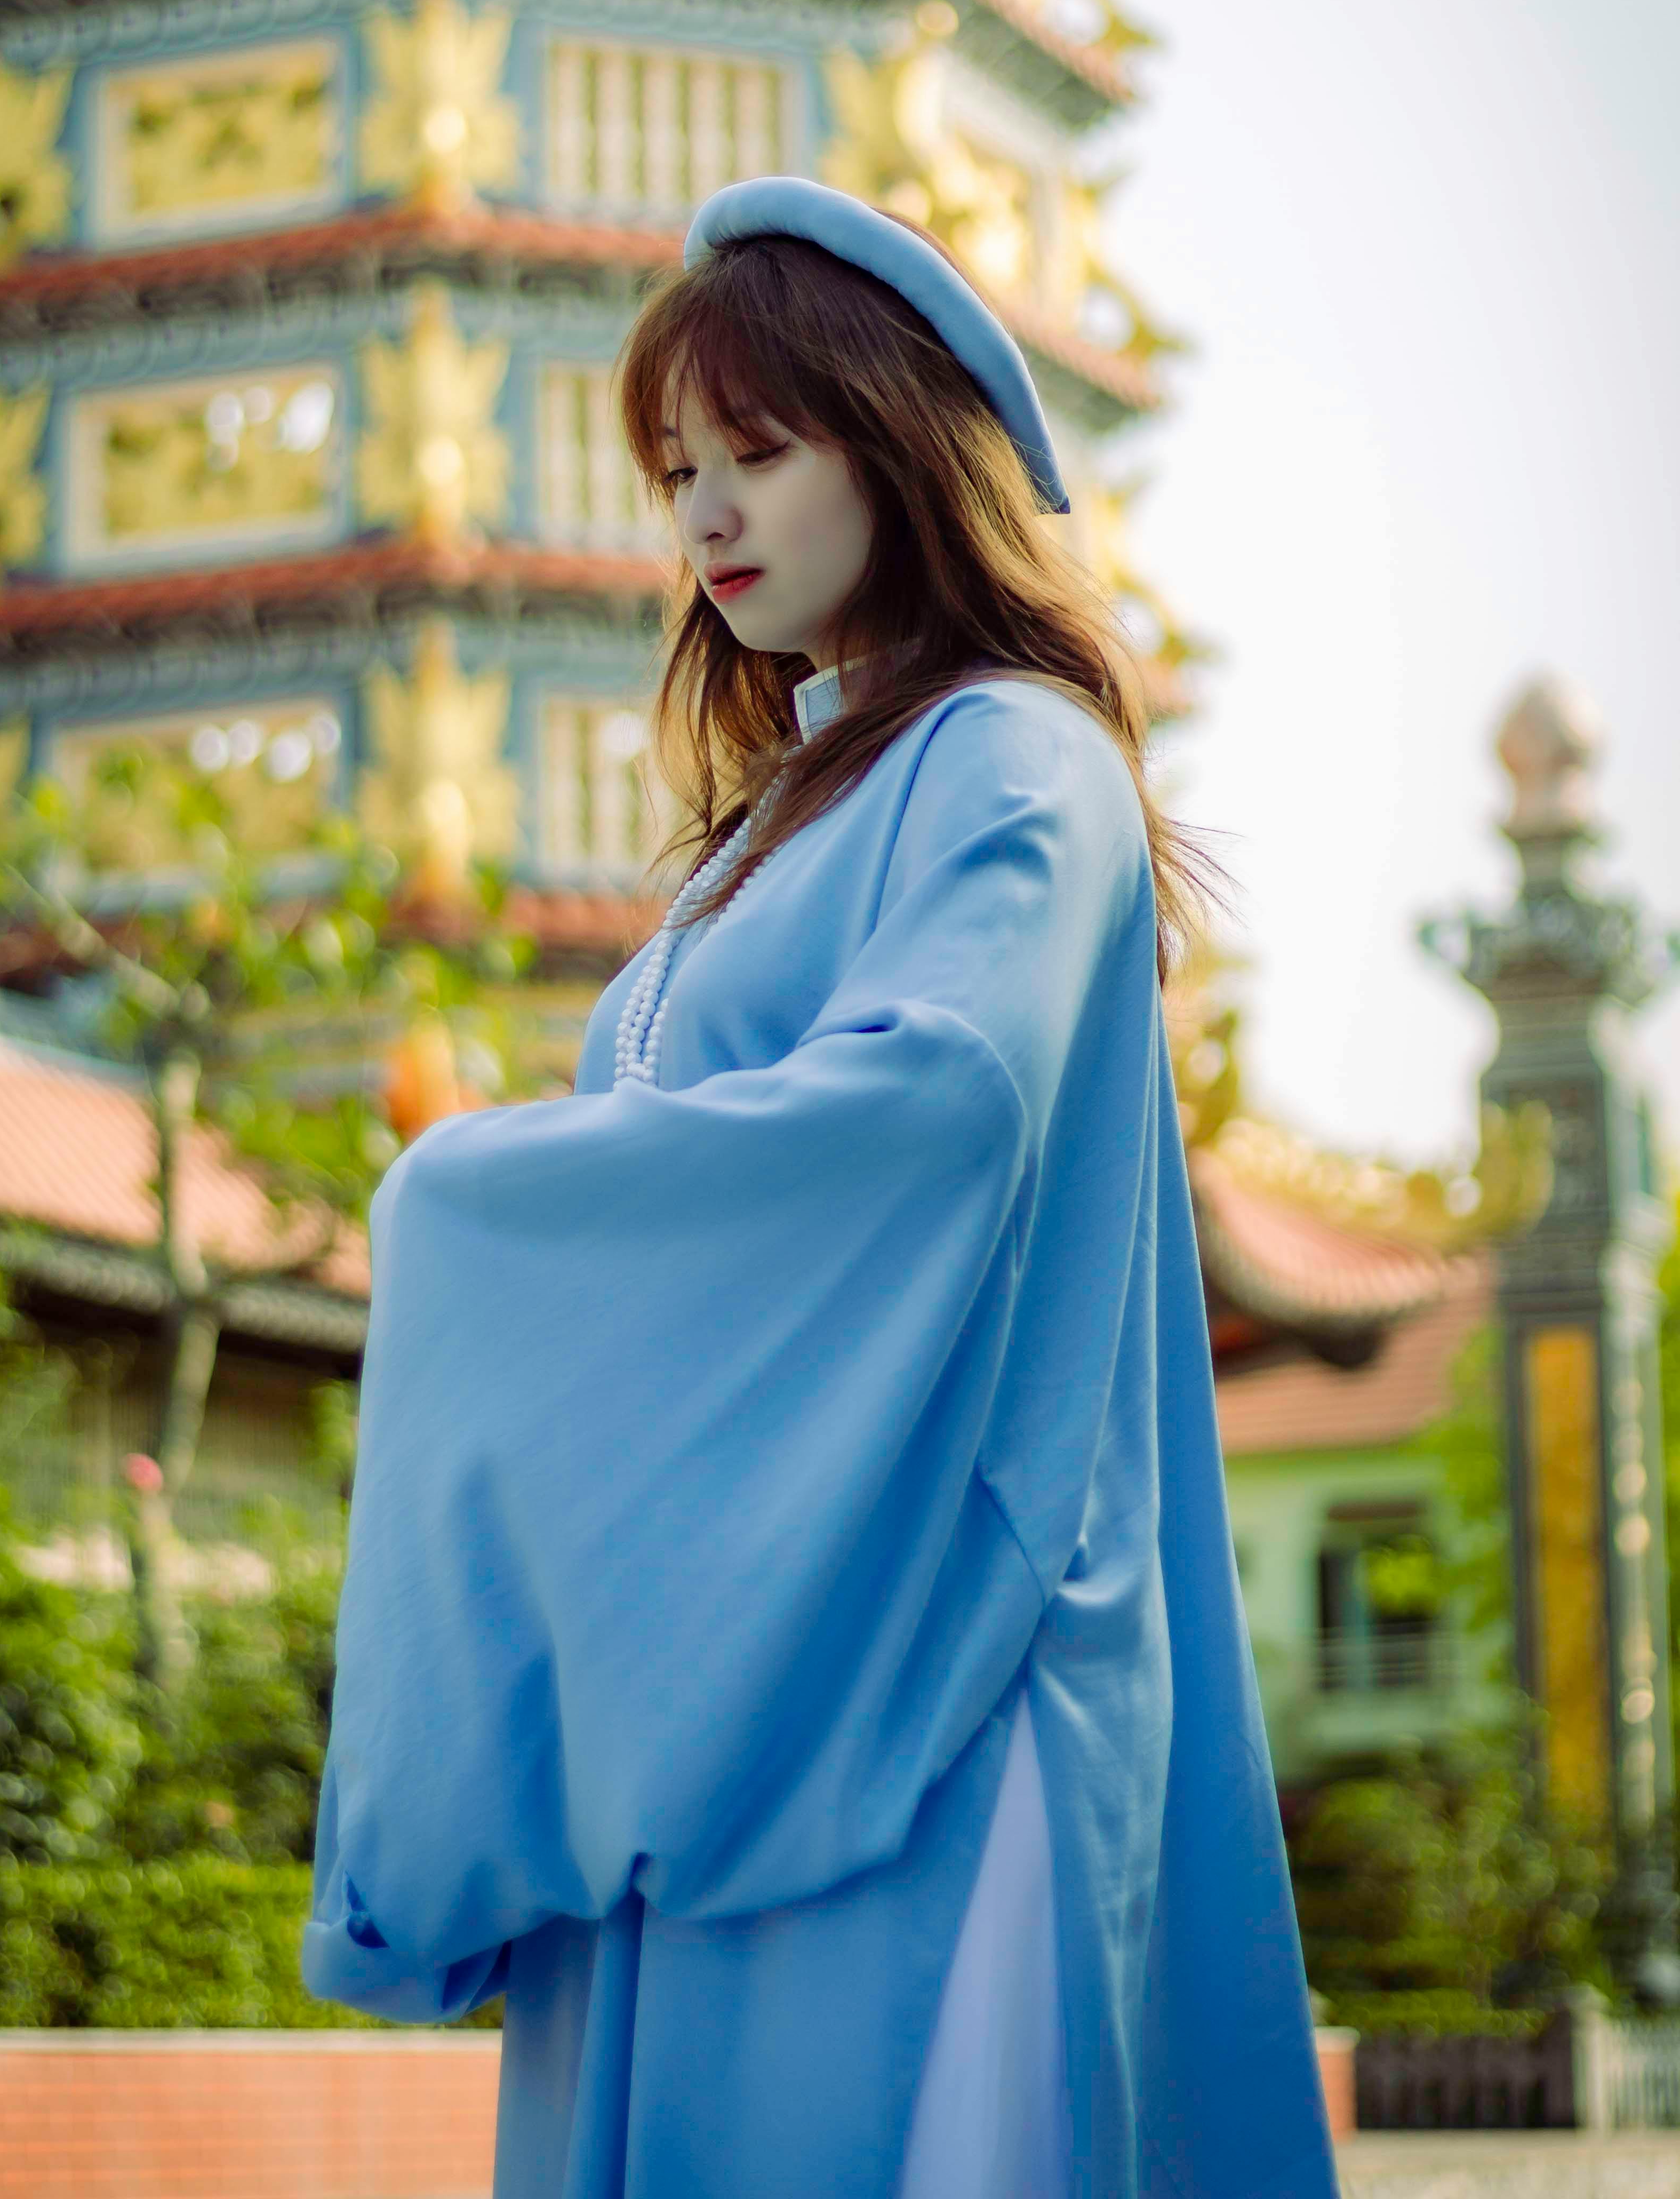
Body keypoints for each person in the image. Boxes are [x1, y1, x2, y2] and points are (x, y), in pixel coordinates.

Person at [304, 178, 1341, 2198]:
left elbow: (923, 1115)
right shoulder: (760, 833)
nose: (705, 513)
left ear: (903, 444)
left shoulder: (1014, 764)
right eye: (679, 467)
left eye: (760, 452)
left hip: (935, 1676)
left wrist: (476, 1206)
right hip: (718, 1660)